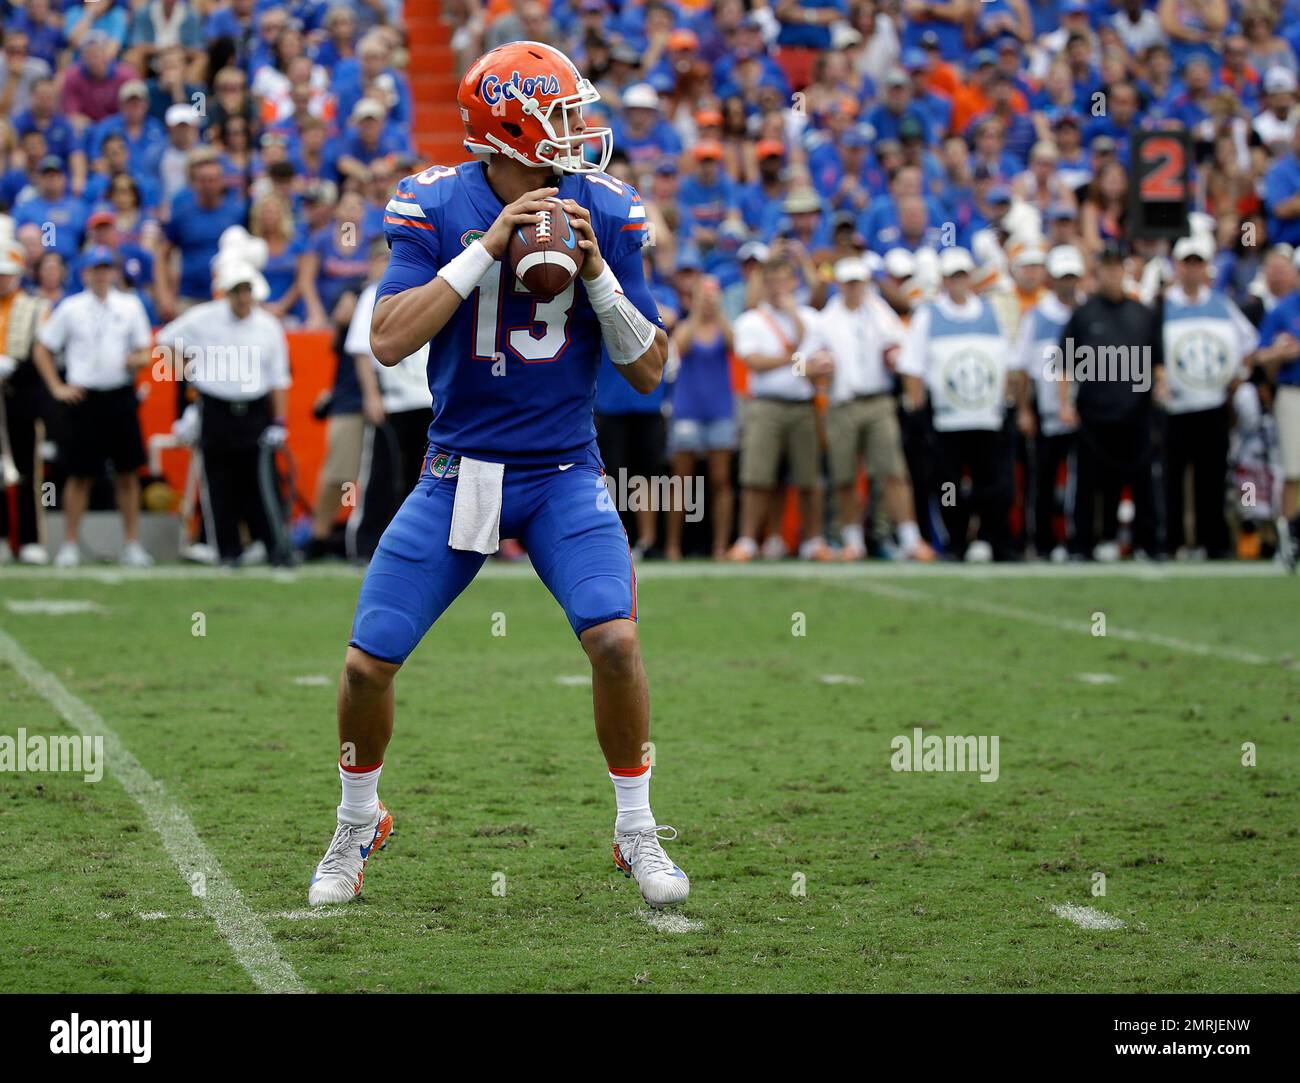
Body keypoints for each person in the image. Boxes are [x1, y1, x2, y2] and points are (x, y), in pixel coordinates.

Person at [306, 43, 686, 911]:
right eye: (560, 115)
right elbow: (391, 337)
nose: (581, 130)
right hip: (459, 469)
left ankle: (636, 827)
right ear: (509, 129)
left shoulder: (611, 211)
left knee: (617, 640)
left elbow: (649, 368)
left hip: (562, 469)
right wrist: (486, 248)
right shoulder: (434, 201)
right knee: (367, 666)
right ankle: (359, 819)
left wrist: (595, 276)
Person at [156, 260, 292, 567]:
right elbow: (165, 342)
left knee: (262, 481)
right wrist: (190, 382)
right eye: (236, 291)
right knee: (219, 483)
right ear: (226, 293)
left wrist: (280, 422)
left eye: (246, 291)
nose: (243, 298)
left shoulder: (269, 326)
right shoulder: (204, 318)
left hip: (256, 410)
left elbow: (279, 379)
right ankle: (227, 551)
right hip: (216, 408)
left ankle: (273, 547)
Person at [30, 246, 153, 568]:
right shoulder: (71, 308)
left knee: (128, 472)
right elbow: (43, 348)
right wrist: (57, 387)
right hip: (84, 399)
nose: (101, 275)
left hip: (120, 395)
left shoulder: (129, 305)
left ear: (113, 272)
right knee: (80, 473)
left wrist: (136, 360)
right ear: (85, 273)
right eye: (95, 269)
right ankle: (69, 542)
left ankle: (131, 542)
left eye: (106, 268)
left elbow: (145, 349)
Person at [898, 246, 1014, 561]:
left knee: (991, 483)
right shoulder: (928, 315)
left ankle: (993, 537)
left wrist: (1007, 400)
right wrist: (918, 406)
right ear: (944, 281)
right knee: (948, 485)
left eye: (962, 276)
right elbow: (912, 366)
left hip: (986, 417)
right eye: (952, 277)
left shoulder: (991, 313)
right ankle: (956, 538)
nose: (958, 283)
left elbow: (1006, 361)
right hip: (948, 419)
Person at [821, 256, 933, 561]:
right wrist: (815, 366)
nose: (855, 289)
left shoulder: (880, 313)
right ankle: (852, 540)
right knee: (844, 475)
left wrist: (896, 357)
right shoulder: (827, 318)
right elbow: (802, 361)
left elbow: (904, 348)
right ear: (841, 285)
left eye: (858, 283)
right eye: (849, 283)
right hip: (842, 403)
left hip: (877, 400)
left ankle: (910, 538)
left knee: (892, 471)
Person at [1058, 243, 1163, 561]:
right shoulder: (1083, 314)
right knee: (1088, 485)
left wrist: (1160, 388)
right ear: (1098, 272)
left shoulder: (1141, 313)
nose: (1113, 274)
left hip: (1136, 413)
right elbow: (1065, 363)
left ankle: (1148, 544)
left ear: (1125, 272)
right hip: (1094, 414)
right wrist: (1066, 405)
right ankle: (1083, 544)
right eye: (1107, 268)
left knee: (1144, 482)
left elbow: (1157, 361)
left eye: (1118, 268)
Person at [729, 255, 835, 561]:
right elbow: (754, 363)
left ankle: (813, 540)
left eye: (783, 280)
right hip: (766, 405)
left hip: (802, 404)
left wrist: (794, 357)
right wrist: (796, 361)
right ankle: (748, 539)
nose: (777, 287)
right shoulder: (752, 319)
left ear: (794, 282)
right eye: (771, 281)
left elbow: (822, 363)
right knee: (757, 476)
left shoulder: (810, 318)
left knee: (808, 478)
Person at [1160, 235, 1259, 559]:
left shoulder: (1222, 304)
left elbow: (1249, 346)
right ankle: (1172, 542)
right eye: (1186, 263)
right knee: (1173, 478)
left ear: (1206, 268)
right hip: (1174, 406)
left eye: (1197, 263)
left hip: (1214, 404)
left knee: (1212, 477)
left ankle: (1213, 542)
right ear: (1177, 267)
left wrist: (1236, 380)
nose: (1191, 270)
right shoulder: (1162, 305)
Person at [343, 238, 433, 562]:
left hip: (427, 398)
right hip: (394, 400)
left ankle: (411, 547)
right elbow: (362, 352)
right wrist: (372, 395)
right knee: (382, 473)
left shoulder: (428, 285)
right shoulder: (374, 294)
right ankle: (366, 543)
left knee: (421, 479)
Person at [1013, 244, 1084, 561]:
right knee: (1042, 479)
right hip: (1047, 410)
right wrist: (1024, 409)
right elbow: (1024, 368)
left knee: (1081, 482)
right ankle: (1041, 541)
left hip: (1086, 411)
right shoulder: (1036, 316)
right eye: (1062, 277)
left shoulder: (1088, 312)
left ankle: (1078, 540)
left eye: (1072, 276)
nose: (1067, 283)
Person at [665, 273, 735, 560]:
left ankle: (720, 546)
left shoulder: (722, 326)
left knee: (721, 480)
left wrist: (718, 312)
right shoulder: (686, 325)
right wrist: (696, 311)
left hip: (719, 410)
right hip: (688, 410)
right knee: (681, 481)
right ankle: (673, 545)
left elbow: (735, 346)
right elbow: (679, 348)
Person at [0, 241, 52, 564]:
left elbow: (43, 353)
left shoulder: (36, 307)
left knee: (28, 469)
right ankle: (2, 537)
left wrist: (14, 367)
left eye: (6, 274)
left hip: (21, 396)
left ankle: (32, 538)